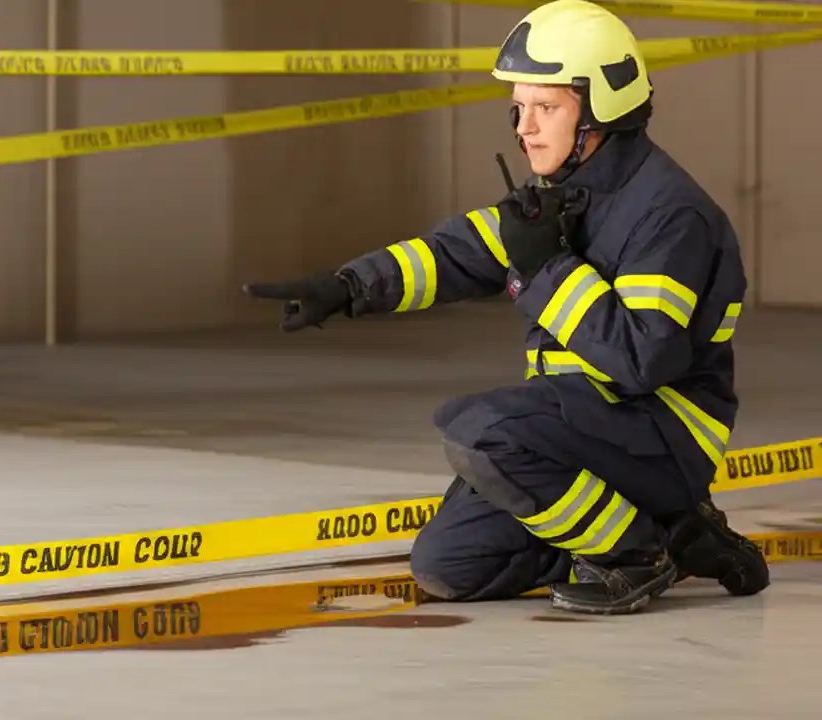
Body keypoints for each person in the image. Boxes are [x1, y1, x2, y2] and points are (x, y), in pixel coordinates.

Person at [242, 0, 769, 615]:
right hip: (583, 432)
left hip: (660, 435)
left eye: (546, 107)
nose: (524, 127)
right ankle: (673, 533)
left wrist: (548, 269)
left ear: (601, 110)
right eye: (519, 107)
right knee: (449, 564)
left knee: (482, 434)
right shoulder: (566, 192)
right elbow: (457, 254)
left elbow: (641, 360)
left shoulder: (670, 216)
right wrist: (349, 287)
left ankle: (635, 552)